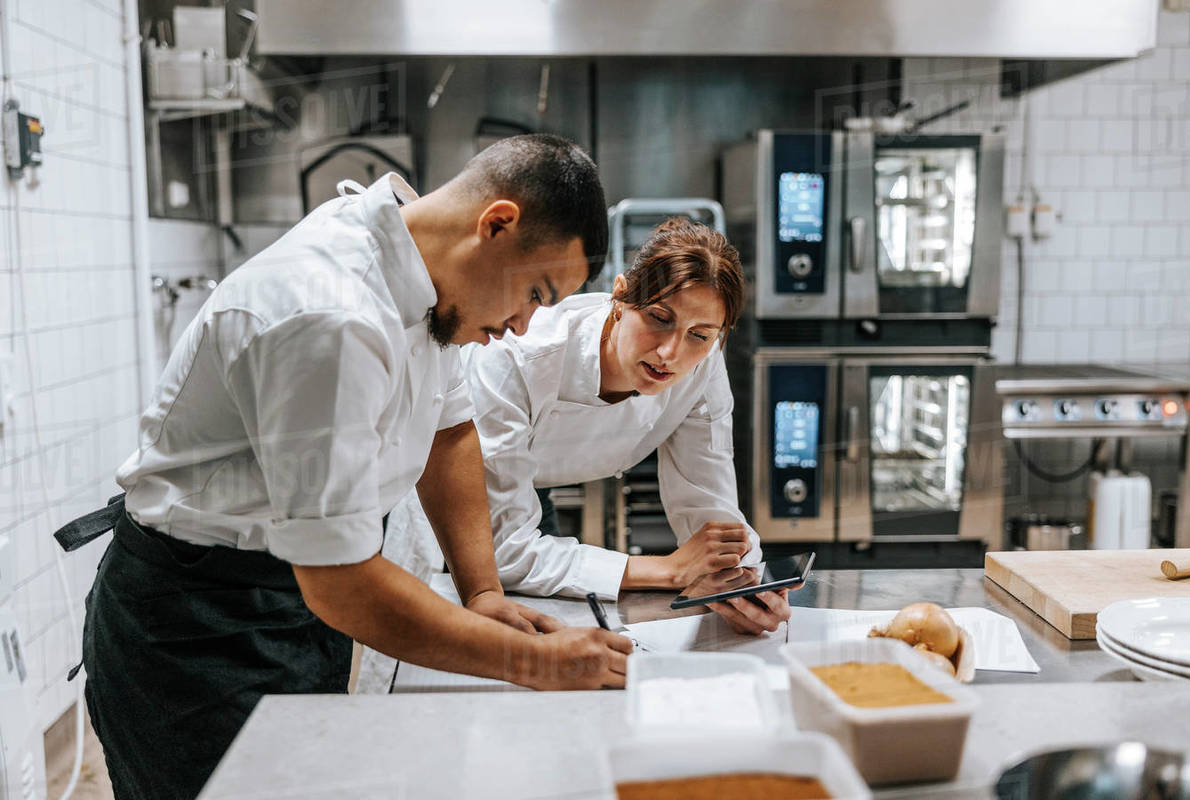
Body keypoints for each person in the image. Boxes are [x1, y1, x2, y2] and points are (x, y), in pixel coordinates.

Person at [52, 134, 632, 800]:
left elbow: (449, 434)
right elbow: (342, 582)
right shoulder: (332, 316)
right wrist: (531, 662)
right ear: (496, 225)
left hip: (292, 602)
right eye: (535, 292)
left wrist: (485, 595)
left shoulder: (421, 265)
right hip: (192, 627)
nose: (525, 326)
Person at [382, 218, 791, 642]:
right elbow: (499, 552)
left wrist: (739, 583)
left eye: (699, 335)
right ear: (619, 298)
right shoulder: (517, 358)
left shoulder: (703, 366)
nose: (671, 352)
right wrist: (668, 570)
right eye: (659, 318)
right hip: (444, 497)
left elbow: (710, 508)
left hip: (529, 494)